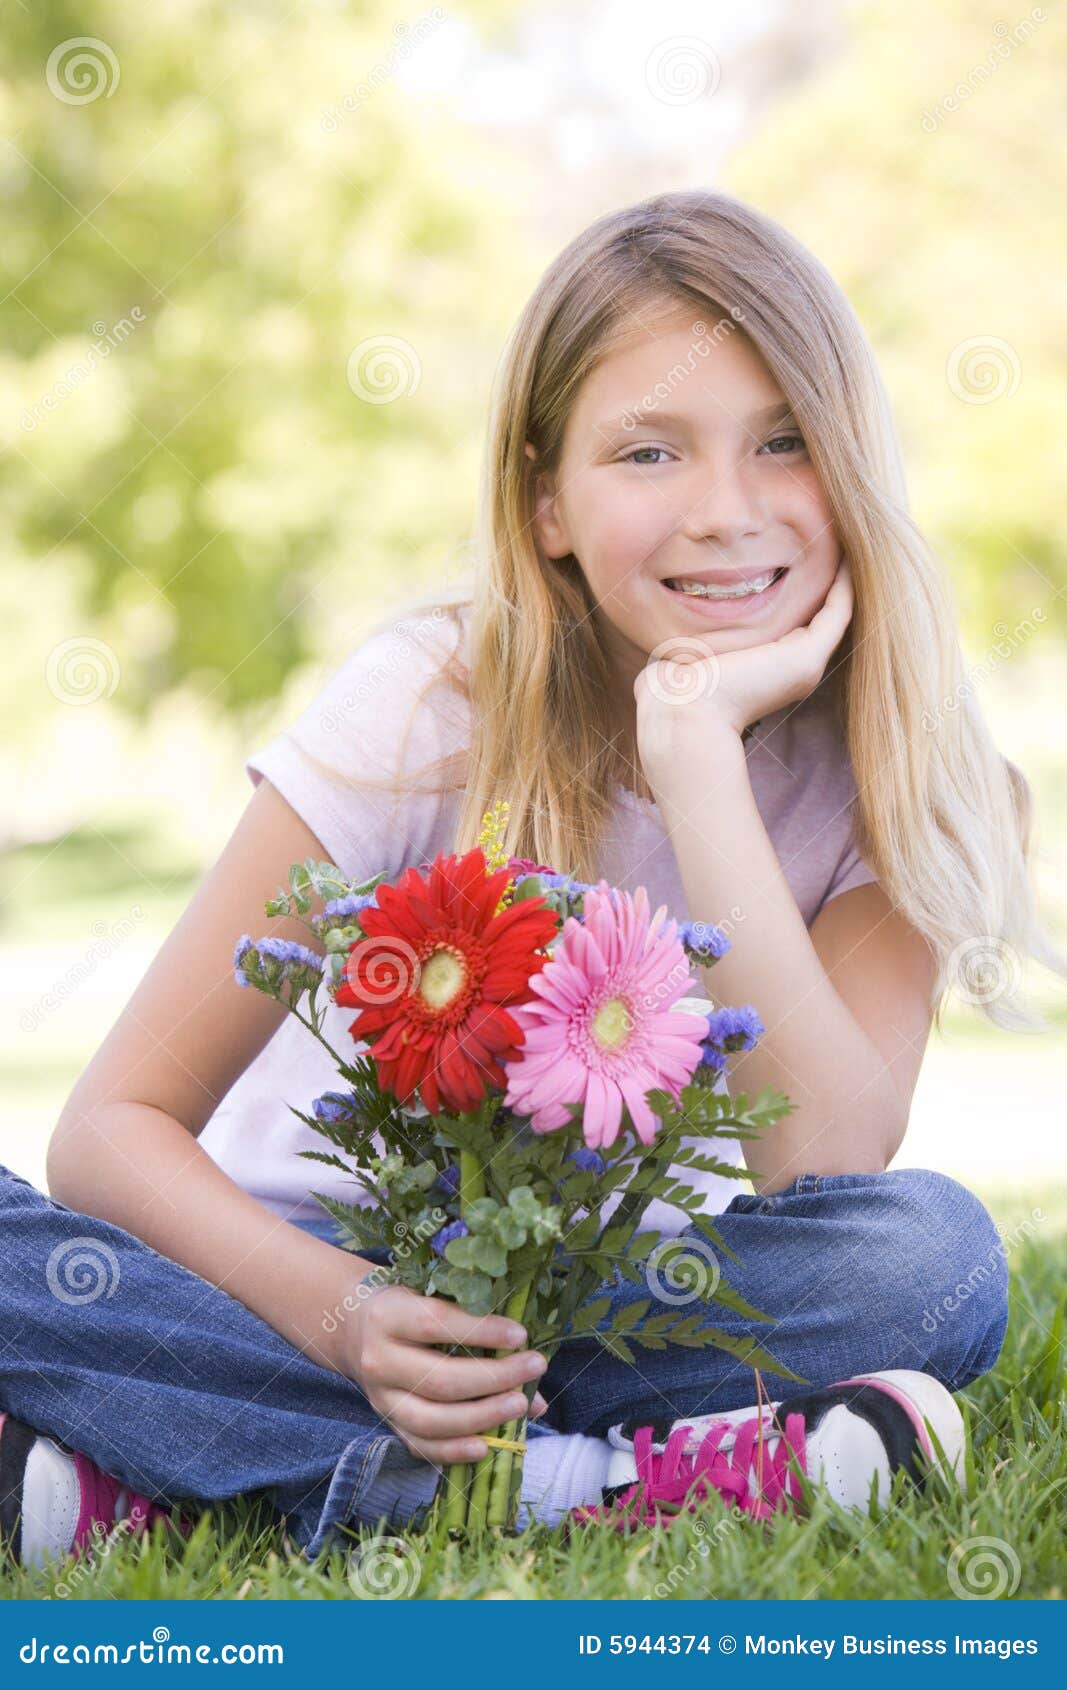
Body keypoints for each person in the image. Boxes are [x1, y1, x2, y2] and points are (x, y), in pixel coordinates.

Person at [3, 188, 1059, 1571]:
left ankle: (191, 1469)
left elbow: (825, 1163)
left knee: (930, 1260)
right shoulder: (428, 702)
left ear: (854, 462)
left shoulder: (895, 770)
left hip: (586, 1318)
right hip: (280, 1277)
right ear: (546, 498)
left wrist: (696, 754)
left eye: (786, 441)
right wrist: (350, 1316)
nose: (726, 512)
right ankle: (593, 1481)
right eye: (650, 452)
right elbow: (112, 1130)